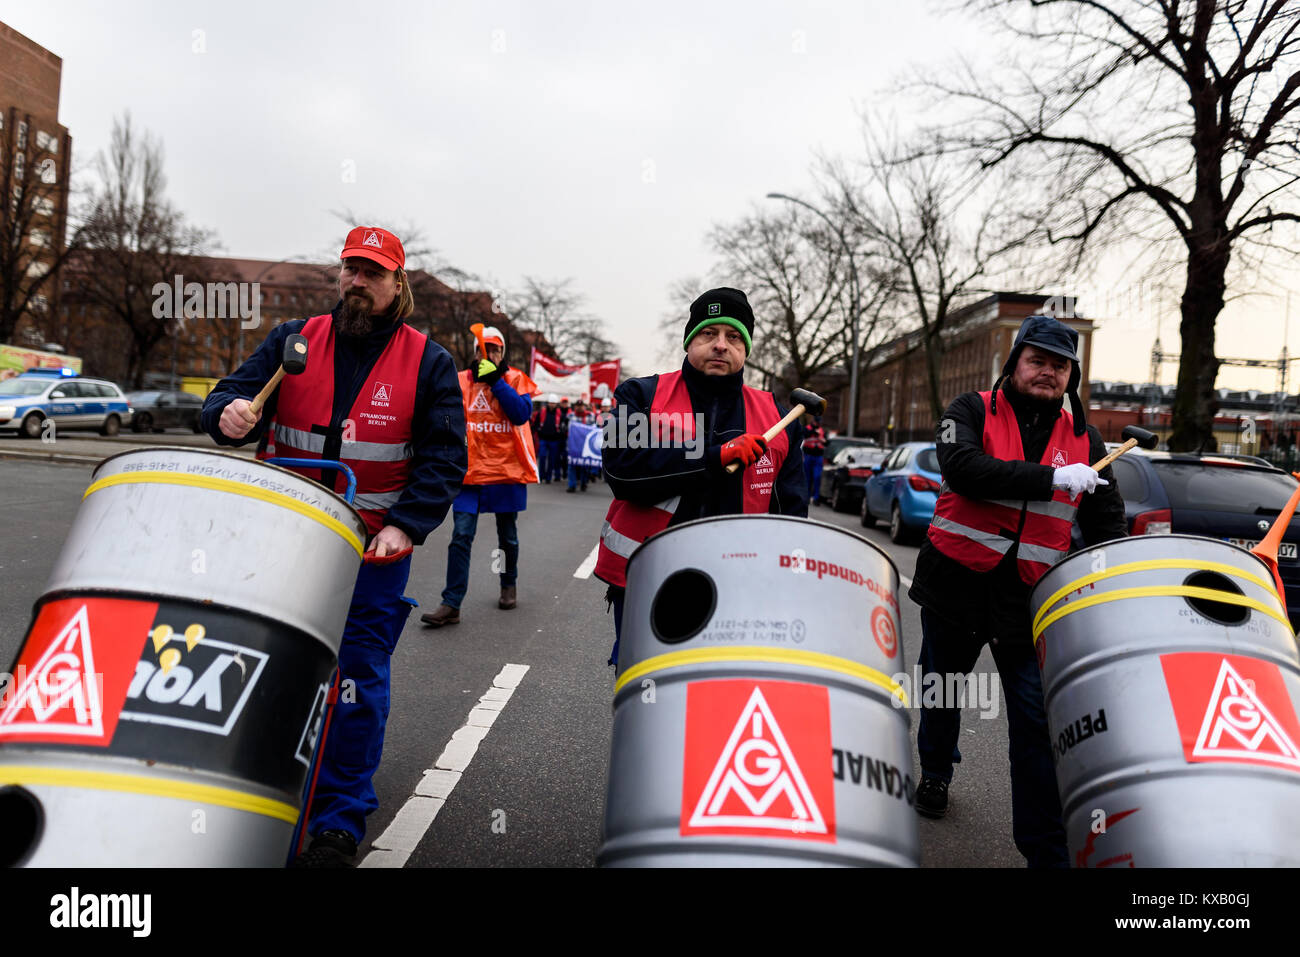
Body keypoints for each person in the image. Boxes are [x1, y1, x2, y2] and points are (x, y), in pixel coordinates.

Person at [200, 225, 467, 867]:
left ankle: (339, 819)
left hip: (369, 554)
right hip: (281, 543)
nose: (358, 281)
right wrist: (227, 415)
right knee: (262, 668)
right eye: (350, 268)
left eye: (373, 272)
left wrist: (407, 523)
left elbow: (443, 458)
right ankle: (256, 792)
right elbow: (226, 401)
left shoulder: (428, 361)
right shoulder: (293, 339)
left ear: (396, 284)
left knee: (353, 683)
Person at [907, 314, 1127, 868]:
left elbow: (1105, 515)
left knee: (1034, 721)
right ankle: (935, 770)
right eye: (1038, 361)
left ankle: (1044, 849)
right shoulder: (971, 410)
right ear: (1015, 362)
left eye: (1060, 365)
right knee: (942, 688)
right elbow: (964, 470)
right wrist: (1050, 478)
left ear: (1071, 375)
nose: (1048, 373)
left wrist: (1112, 572)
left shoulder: (1086, 438)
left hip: (1027, 601)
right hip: (955, 584)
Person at [596, 287, 809, 666]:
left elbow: (791, 512)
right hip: (649, 576)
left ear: (746, 349)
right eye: (708, 334)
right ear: (689, 341)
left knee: (718, 699)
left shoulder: (779, 416)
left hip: (738, 583)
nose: (721, 346)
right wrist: (714, 458)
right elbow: (621, 470)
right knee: (648, 696)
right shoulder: (640, 395)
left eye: (734, 337)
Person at [421, 326, 539, 626]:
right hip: (469, 473)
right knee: (460, 536)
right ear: (475, 352)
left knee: (507, 537)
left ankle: (508, 585)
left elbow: (521, 414)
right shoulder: (460, 380)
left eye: (494, 349)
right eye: (482, 349)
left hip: (505, 472)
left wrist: (496, 382)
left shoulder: (514, 379)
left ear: (502, 353)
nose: (488, 354)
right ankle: (452, 603)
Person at [566, 400, 597, 492]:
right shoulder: (570, 416)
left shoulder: (590, 416)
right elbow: (566, 428)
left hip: (585, 445)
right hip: (573, 444)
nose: (579, 407)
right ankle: (572, 485)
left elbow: (594, 429)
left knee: (585, 465)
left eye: (581, 405)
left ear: (584, 406)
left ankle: (584, 483)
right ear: (575, 406)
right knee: (572, 464)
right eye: (578, 405)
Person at [535, 393, 564, 483]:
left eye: (553, 403)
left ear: (556, 404)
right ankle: (541, 476)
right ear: (548, 403)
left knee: (552, 459)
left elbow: (563, 427)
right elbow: (536, 424)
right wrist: (539, 432)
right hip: (543, 439)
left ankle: (548, 477)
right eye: (550, 403)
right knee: (542, 457)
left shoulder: (560, 414)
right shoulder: (541, 412)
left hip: (554, 440)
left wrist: (559, 436)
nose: (552, 404)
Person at [801, 414, 828, 505]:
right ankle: (806, 497)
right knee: (807, 478)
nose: (817, 423)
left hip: (818, 457)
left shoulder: (821, 430)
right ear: (813, 421)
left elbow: (826, 442)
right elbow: (805, 435)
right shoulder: (807, 428)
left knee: (817, 477)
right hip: (808, 455)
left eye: (818, 422)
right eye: (816, 421)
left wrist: (822, 439)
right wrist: (813, 432)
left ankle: (816, 497)